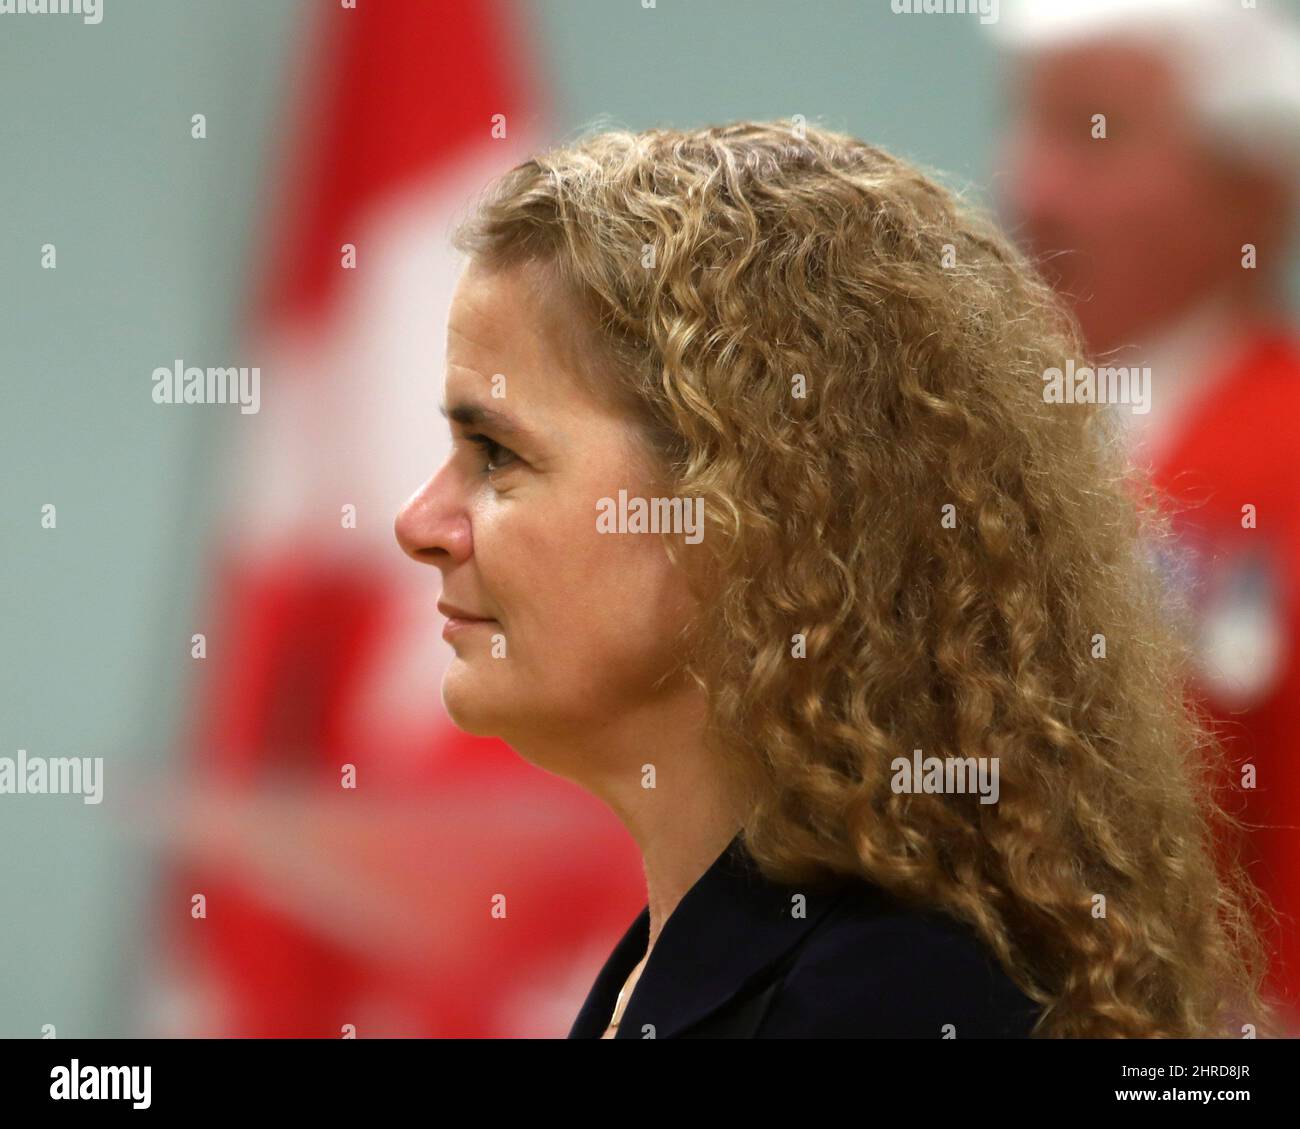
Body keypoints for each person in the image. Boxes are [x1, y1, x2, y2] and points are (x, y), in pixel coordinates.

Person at [395, 120, 1276, 1037]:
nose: (418, 523)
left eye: (496, 453)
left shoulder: (889, 996)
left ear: (739, 507)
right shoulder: (694, 957)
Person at [991, 0, 1300, 1029]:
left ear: (1252, 188)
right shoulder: (970, 445)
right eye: (1026, 128)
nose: (1031, 189)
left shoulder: (1280, 458)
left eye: (1094, 136)